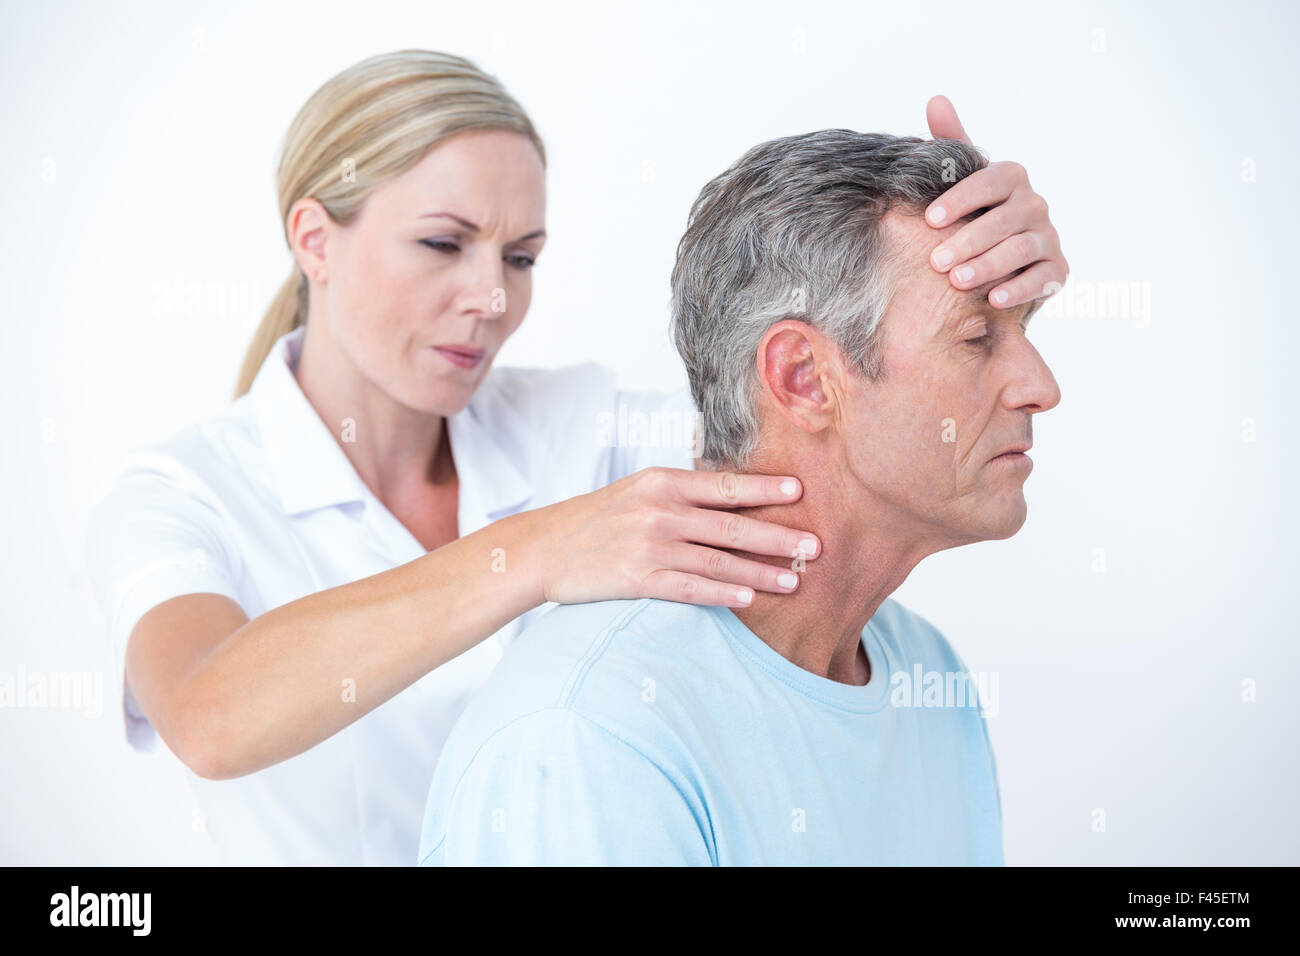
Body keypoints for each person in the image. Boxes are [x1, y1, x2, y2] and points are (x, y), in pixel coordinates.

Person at [85, 49, 1068, 865]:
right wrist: (539, 549)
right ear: (314, 238)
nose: (490, 299)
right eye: (442, 243)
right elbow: (208, 715)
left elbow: (807, 401)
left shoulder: (573, 419)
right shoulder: (181, 495)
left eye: (520, 258)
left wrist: (960, 267)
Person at [418, 129, 1062, 866]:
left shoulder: (927, 674)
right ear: (803, 378)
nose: (1041, 387)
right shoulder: (591, 732)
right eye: (978, 336)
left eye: (1024, 329)